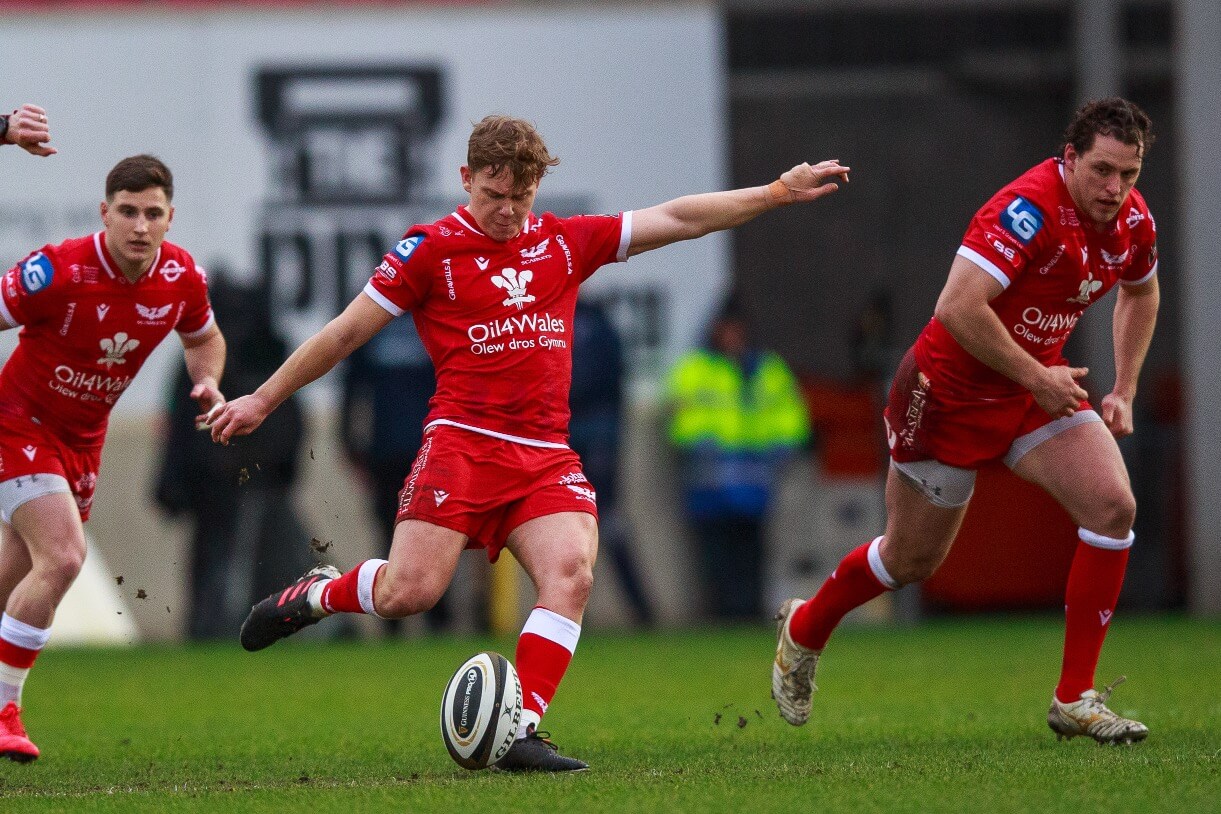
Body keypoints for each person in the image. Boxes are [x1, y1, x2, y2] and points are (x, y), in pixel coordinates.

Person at [209, 114, 849, 772]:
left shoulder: (565, 243)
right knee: (409, 593)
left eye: (521, 196)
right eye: (493, 195)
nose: (508, 212)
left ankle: (521, 727)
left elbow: (677, 218)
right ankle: (317, 594)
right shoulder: (428, 250)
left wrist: (774, 192)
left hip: (543, 456)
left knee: (571, 573)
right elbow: (344, 332)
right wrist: (262, 398)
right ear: (465, 179)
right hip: (461, 447)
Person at [771, 98, 1159, 746]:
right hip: (945, 396)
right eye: (1101, 170)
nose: (1114, 188)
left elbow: (1140, 291)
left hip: (1031, 389)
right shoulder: (1026, 211)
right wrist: (1037, 377)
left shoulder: (1133, 219)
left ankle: (1074, 697)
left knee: (1113, 508)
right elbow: (956, 306)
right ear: (1069, 159)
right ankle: (805, 628)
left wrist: (1124, 386)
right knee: (910, 559)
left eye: (1128, 173)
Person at [0, 155, 226, 761]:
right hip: (19, 423)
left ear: (170, 218)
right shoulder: (58, 271)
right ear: (105, 213)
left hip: (83, 440)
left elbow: (204, 338)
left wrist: (208, 382)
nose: (140, 226)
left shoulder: (182, 278)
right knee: (63, 557)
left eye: (153, 213)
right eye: (128, 211)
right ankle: (4, 711)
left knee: (13, 576)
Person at [154, 276, 313, 640]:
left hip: (220, 483)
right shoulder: (268, 349)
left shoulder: (211, 360)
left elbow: (179, 427)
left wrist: (174, 480)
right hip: (250, 480)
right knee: (254, 559)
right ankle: (230, 626)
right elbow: (292, 422)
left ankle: (212, 626)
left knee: (224, 559)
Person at [666, 296, 810, 620]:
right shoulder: (695, 369)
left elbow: (792, 417)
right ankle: (721, 615)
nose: (732, 336)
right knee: (716, 553)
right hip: (710, 479)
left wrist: (779, 449)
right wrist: (705, 445)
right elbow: (679, 421)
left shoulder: (768, 369)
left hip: (755, 478)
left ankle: (749, 614)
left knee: (752, 551)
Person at [339, 320, 450, 633]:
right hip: (386, 450)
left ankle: (439, 616)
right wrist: (349, 443)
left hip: (432, 446)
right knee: (389, 531)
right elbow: (353, 387)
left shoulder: (436, 321)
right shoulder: (375, 324)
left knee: (439, 532)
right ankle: (392, 617)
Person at [569, 297, 655, 627]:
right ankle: (572, 612)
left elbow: (611, 377)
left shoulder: (594, 322)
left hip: (593, 431)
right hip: (570, 431)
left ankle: (640, 608)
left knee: (607, 521)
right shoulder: (549, 314)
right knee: (571, 528)